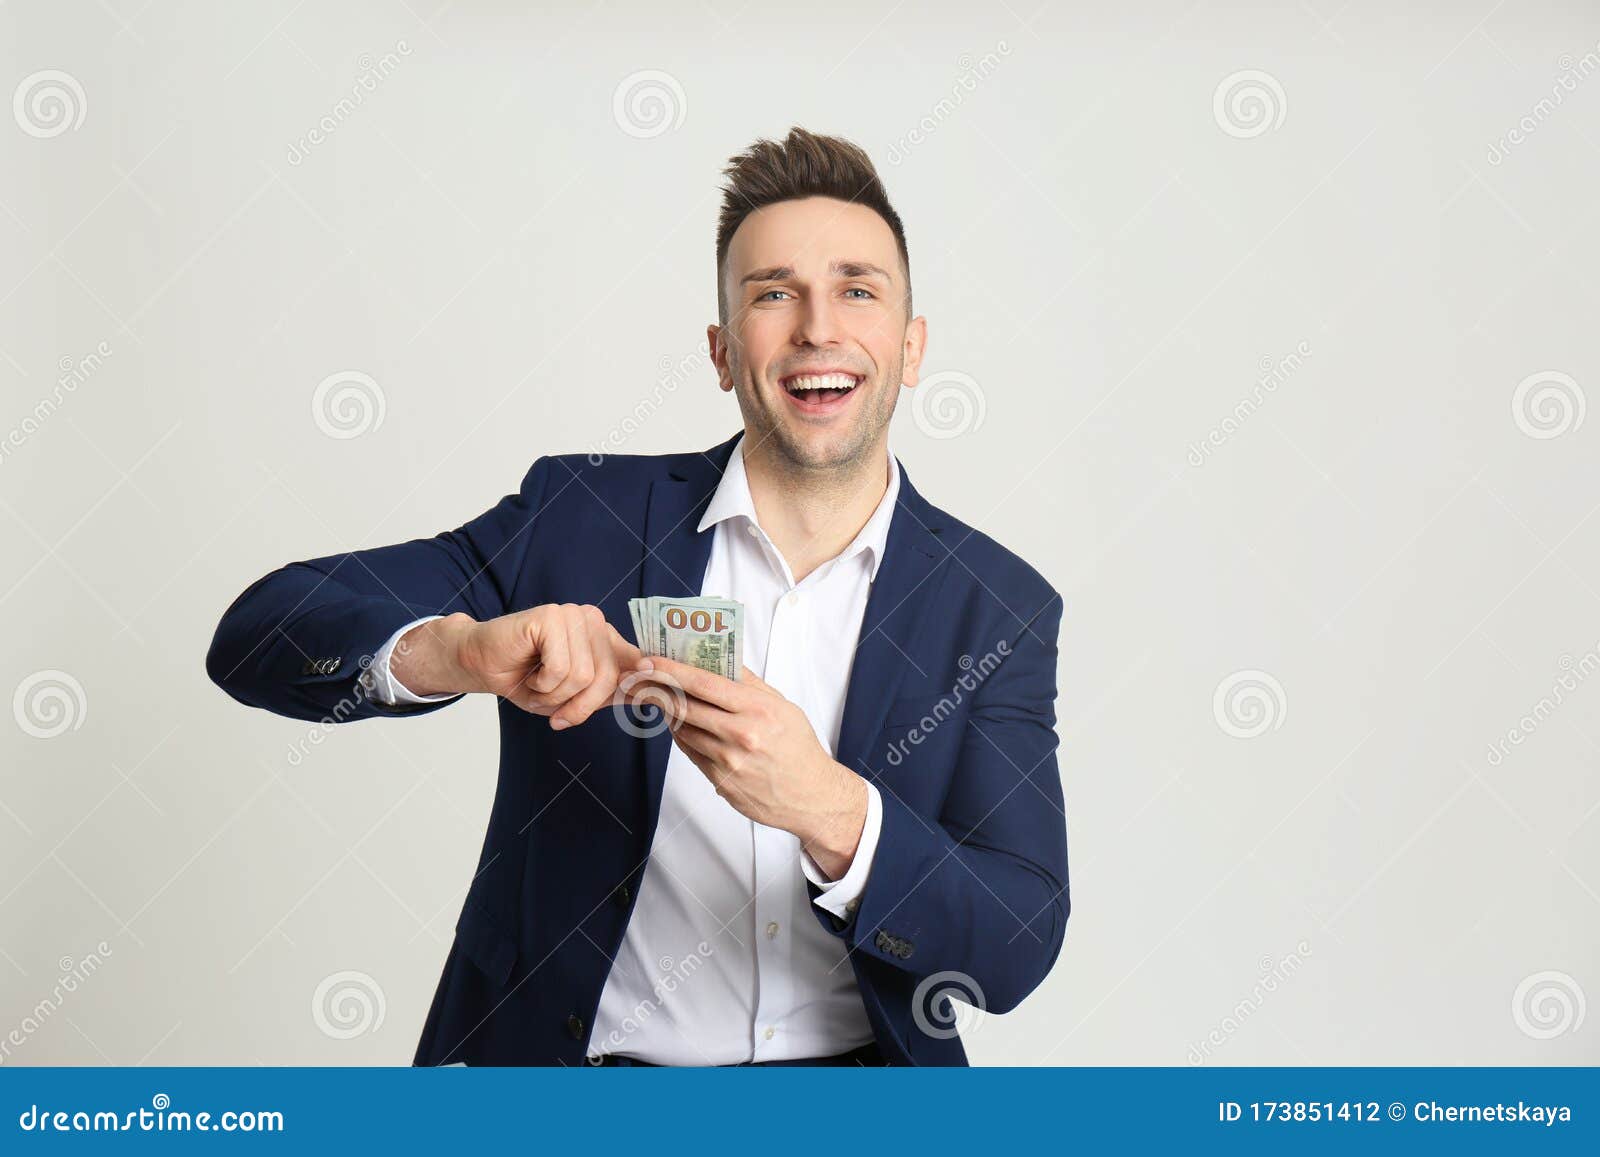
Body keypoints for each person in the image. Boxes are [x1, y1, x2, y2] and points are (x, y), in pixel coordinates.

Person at [207, 126, 1068, 1066]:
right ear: (724, 351)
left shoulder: (998, 605)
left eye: (856, 290)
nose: (819, 326)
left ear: (909, 348)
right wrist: (457, 651)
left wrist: (831, 809)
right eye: (773, 294)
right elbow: (260, 634)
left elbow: (1014, 943)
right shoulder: (581, 519)